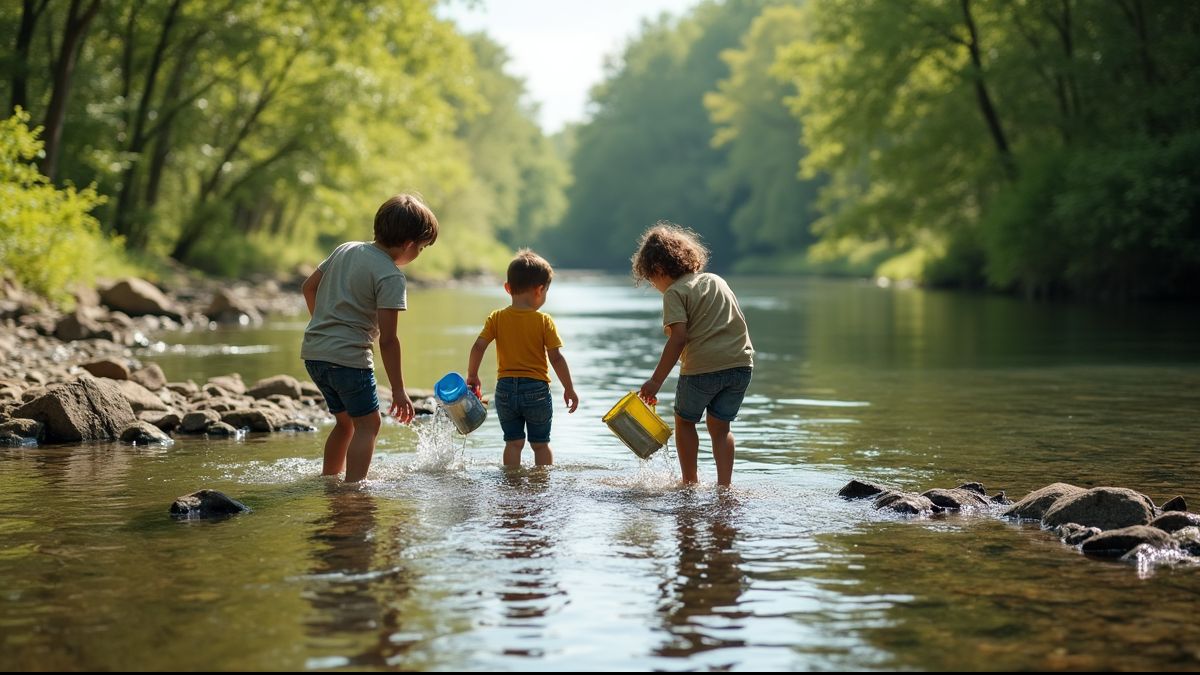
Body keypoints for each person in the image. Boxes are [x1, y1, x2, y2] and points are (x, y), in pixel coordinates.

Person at [300, 194, 438, 482]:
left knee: (345, 423)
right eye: (422, 249)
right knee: (370, 424)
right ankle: (353, 490)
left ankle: (330, 480)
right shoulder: (390, 276)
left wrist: (323, 324)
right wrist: (399, 391)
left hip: (314, 353)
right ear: (409, 244)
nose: (418, 254)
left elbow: (308, 287)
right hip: (348, 359)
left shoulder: (345, 249)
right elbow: (388, 340)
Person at [632, 221, 754, 487]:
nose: (655, 286)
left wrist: (655, 381)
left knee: (685, 422)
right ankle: (724, 487)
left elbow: (678, 339)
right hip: (740, 365)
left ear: (660, 269)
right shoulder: (716, 280)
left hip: (702, 368)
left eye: (652, 280)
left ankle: (690, 483)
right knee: (721, 429)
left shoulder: (675, 293)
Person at [466, 249, 579, 466]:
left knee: (513, 443)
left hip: (505, 390)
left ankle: (511, 484)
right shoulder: (543, 321)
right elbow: (556, 358)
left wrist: (472, 375)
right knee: (540, 444)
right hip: (536, 390)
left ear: (508, 288)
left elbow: (479, 346)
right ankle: (541, 485)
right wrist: (569, 388)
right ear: (539, 290)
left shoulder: (496, 318)